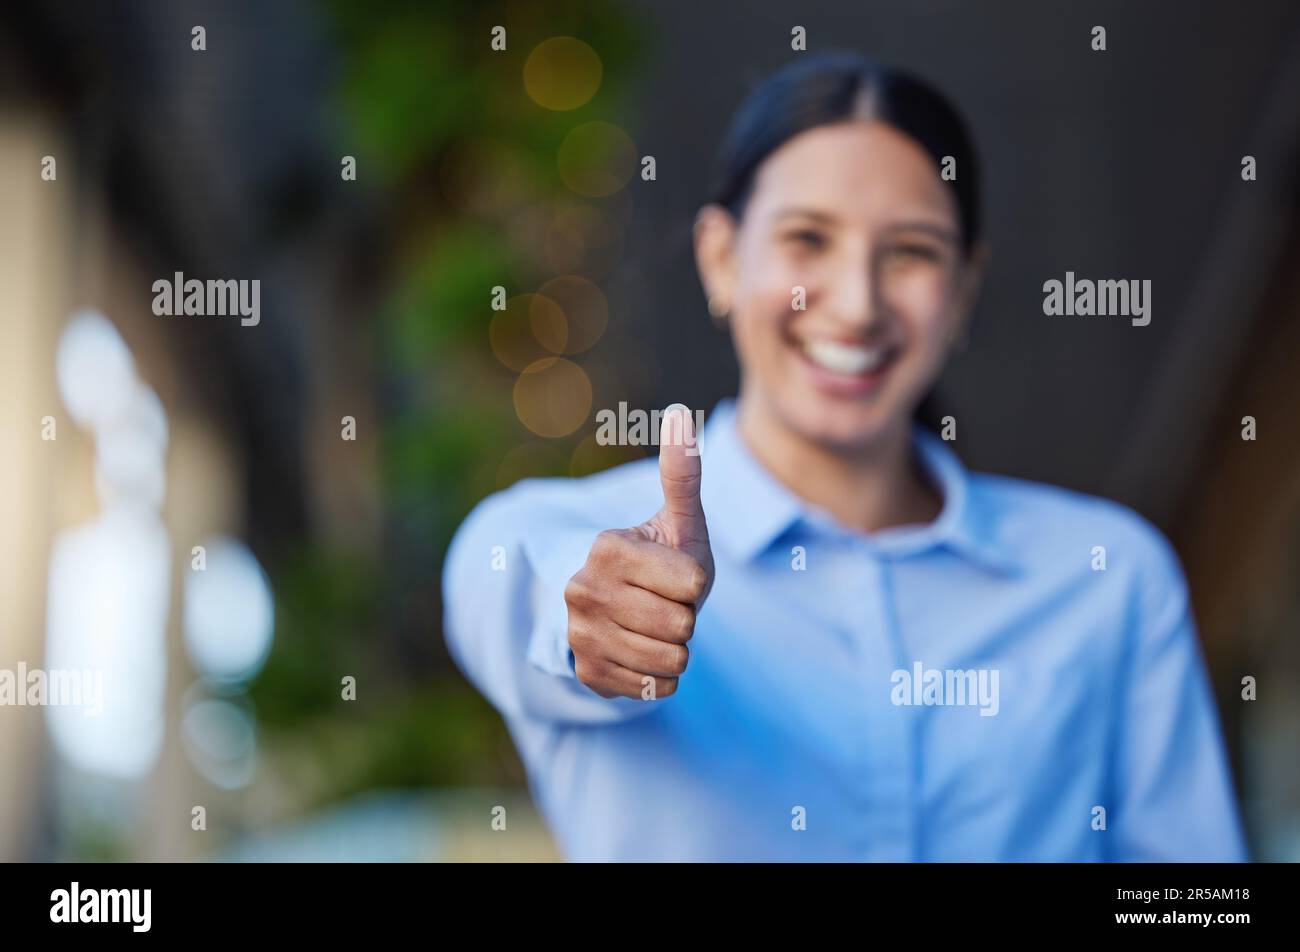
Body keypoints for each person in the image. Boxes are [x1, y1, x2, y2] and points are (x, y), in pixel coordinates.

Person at [442, 51, 1247, 861]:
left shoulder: (1109, 577)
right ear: (721, 258)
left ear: (963, 291)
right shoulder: (546, 538)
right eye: (807, 238)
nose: (858, 304)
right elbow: (533, 600)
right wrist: (602, 626)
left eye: (912, 252)